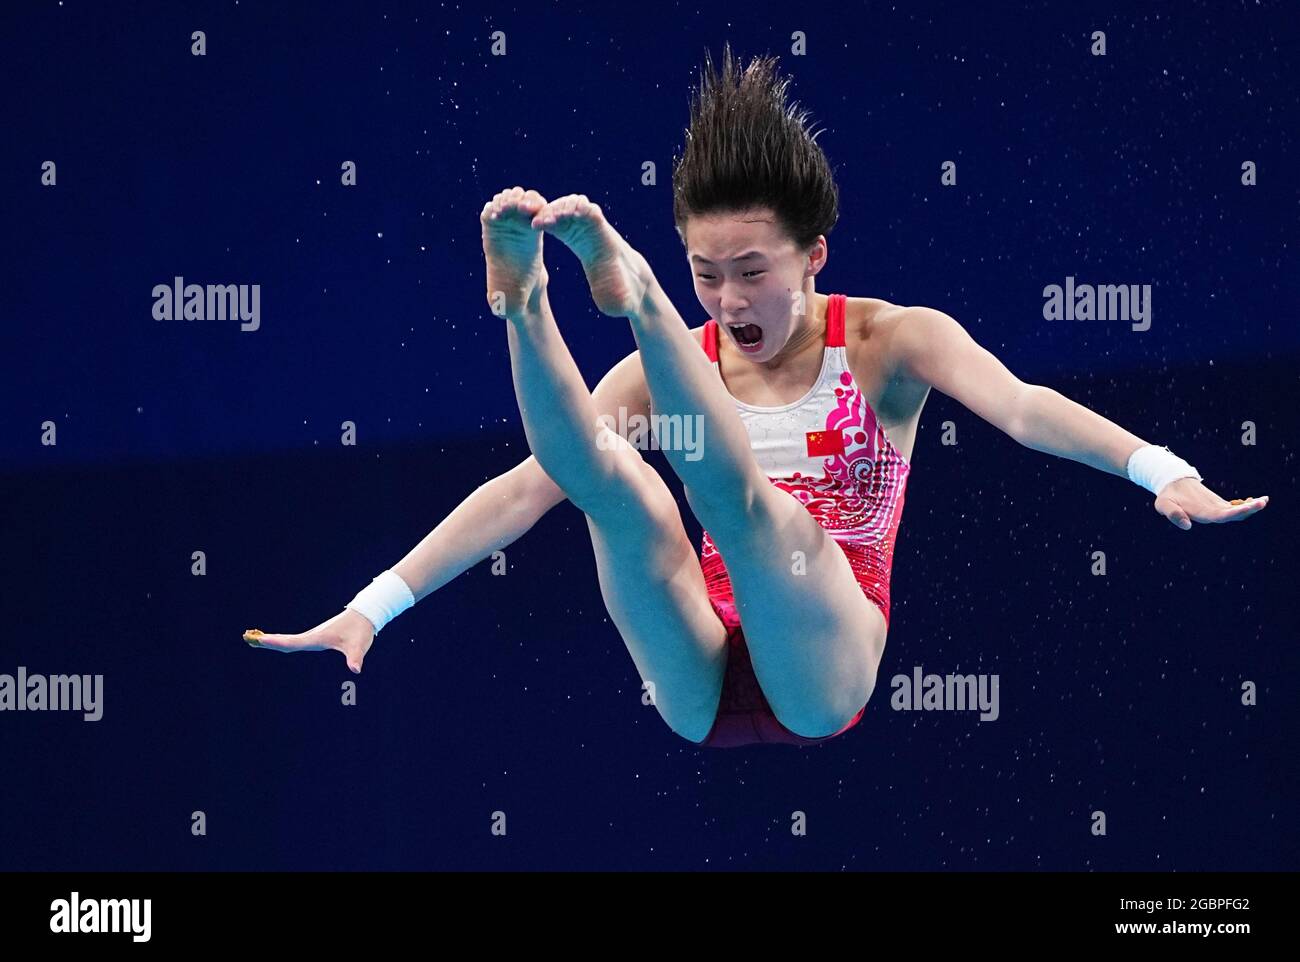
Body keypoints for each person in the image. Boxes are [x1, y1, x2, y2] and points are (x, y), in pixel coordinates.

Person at [244, 44, 1268, 748]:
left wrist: (1160, 468)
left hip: (829, 658)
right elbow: (525, 488)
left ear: (814, 253)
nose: (729, 299)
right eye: (701, 273)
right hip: (694, 678)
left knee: (763, 516)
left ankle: (628, 290)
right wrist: (370, 606)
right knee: (620, 492)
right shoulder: (666, 375)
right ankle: (525, 307)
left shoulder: (888, 341)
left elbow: (1023, 405)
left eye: (751, 269)